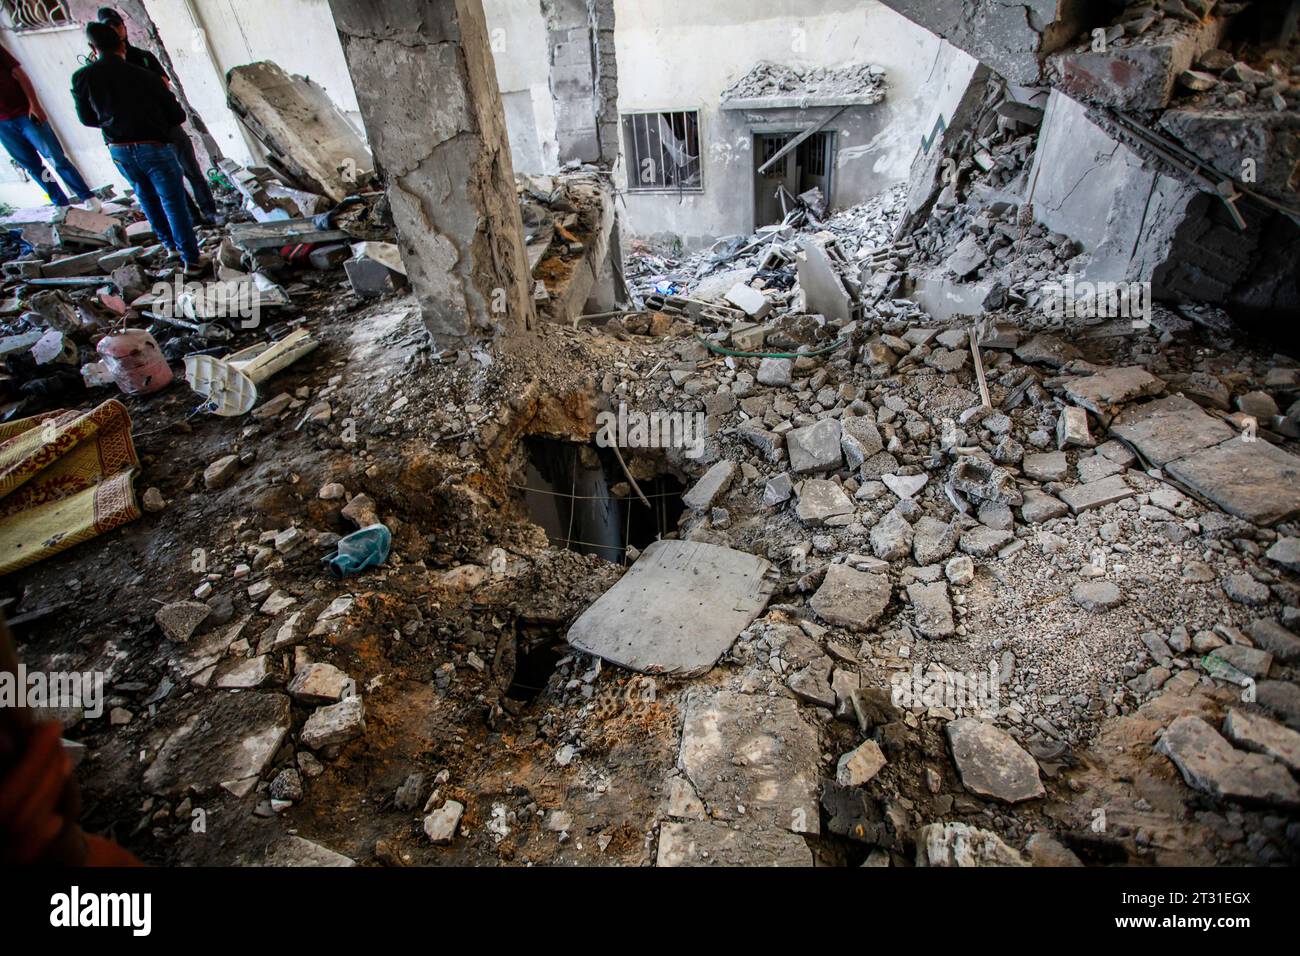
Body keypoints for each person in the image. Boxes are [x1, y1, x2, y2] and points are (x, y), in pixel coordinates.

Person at [72, 22, 205, 276]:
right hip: (153, 146)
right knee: (172, 201)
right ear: (122, 45)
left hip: (119, 149)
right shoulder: (145, 76)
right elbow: (176, 115)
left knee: (146, 198)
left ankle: (171, 248)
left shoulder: (83, 77)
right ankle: (192, 260)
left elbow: (87, 119)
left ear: (93, 48)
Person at [97, 6, 220, 226]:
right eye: (109, 28)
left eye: (117, 26)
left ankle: (210, 211)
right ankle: (192, 218)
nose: (116, 31)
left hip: (166, 123)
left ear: (124, 28)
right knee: (169, 180)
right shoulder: (99, 71)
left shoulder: (142, 58)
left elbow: (164, 85)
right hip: (144, 135)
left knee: (191, 170)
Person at [0, 43, 95, 207]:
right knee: (33, 166)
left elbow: (19, 74)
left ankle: (87, 197)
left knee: (56, 158)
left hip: (25, 114)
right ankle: (61, 203)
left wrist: (34, 105)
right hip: (3, 126)